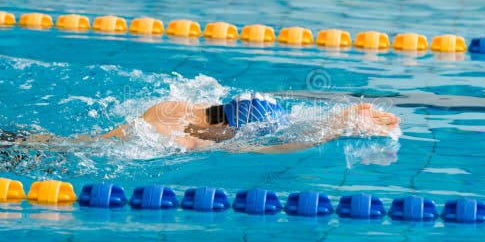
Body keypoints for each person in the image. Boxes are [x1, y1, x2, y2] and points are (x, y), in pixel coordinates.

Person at [97, 92, 400, 153]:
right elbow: (268, 150)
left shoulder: (188, 106)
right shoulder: (183, 139)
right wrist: (333, 132)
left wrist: (339, 121)